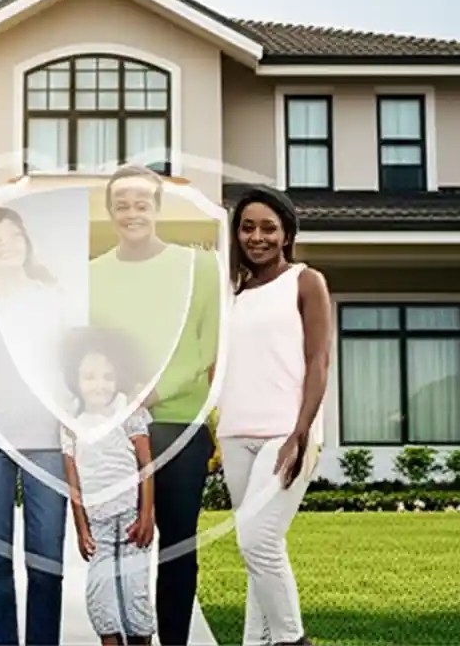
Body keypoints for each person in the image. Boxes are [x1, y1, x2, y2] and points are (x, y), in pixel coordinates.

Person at [87, 164, 220, 645]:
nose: (132, 212)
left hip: (180, 422)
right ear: (110, 213)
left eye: (142, 203)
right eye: (121, 204)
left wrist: (159, 391)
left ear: (158, 209)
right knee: (121, 544)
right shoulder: (90, 275)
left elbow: (211, 347)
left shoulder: (200, 267)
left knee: (177, 545)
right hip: (116, 432)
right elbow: (87, 348)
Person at [216, 185, 330, 646]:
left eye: (268, 227)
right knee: (258, 551)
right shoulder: (234, 292)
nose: (256, 237)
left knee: (256, 542)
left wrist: (300, 433)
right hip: (235, 434)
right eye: (247, 227)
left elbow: (318, 360)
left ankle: (291, 640)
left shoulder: (306, 281)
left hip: (286, 433)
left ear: (286, 234)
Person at [0, 206, 70, 646]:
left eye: (13, 236)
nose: (6, 245)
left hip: (46, 439)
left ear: (26, 243)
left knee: (46, 561)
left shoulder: (53, 299)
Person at [60, 327, 156, 646]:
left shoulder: (127, 412)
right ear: (76, 380)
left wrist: (146, 515)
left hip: (130, 518)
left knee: (135, 593)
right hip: (98, 524)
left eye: (107, 377)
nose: (99, 385)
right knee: (101, 597)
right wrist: (81, 528)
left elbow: (146, 466)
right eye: (89, 377)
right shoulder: (71, 424)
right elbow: (73, 481)